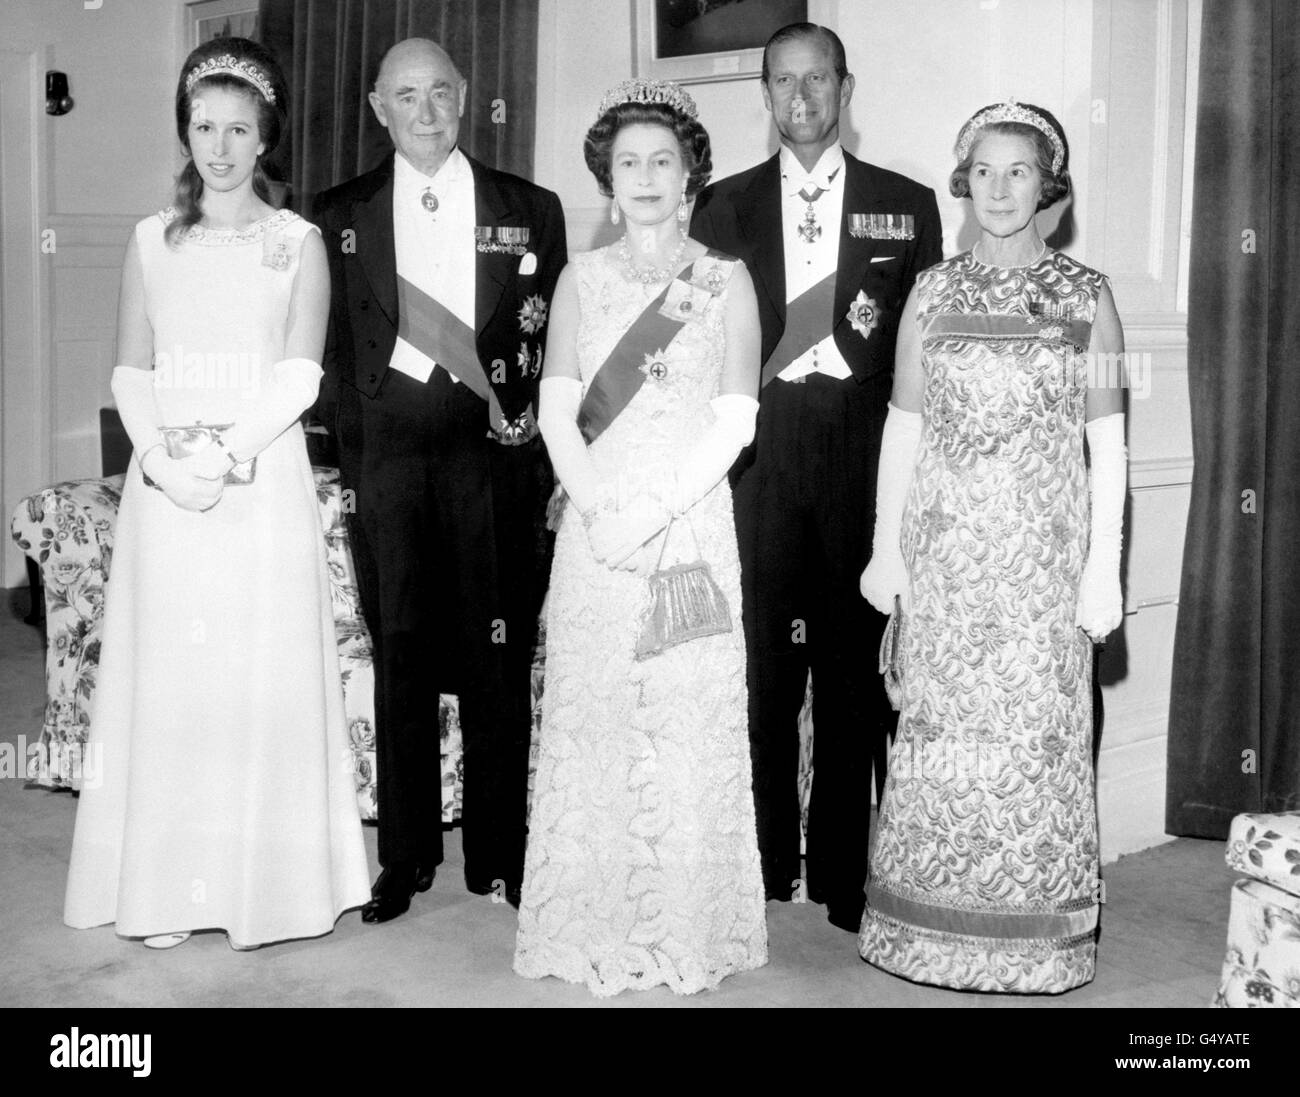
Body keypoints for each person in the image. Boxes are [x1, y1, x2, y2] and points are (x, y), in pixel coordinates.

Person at [63, 37, 370, 950]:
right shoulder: (151, 239)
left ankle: (261, 889)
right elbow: (129, 369)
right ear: (185, 131)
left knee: (252, 684)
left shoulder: (297, 242)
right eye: (205, 126)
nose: (221, 147)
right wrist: (162, 461)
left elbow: (299, 375)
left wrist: (223, 456)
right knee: (176, 688)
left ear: (266, 136)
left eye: (240, 128)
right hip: (168, 492)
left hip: (258, 480)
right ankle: (165, 889)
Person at [858, 100, 1127, 993]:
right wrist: (886, 555)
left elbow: (1110, 448)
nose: (1001, 189)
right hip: (943, 564)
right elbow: (902, 426)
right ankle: (925, 931)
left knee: (1032, 749)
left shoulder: (1090, 295)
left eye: (1020, 171)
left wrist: (1102, 576)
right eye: (984, 171)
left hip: (1042, 573)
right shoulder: (931, 290)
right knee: (940, 746)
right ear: (962, 183)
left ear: (1047, 185)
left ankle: (1035, 944)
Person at [513, 79, 768, 996]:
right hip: (596, 532)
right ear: (607, 179)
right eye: (630, 162)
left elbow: (736, 419)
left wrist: (648, 514)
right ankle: (593, 923)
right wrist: (597, 511)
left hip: (687, 527)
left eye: (664, 159)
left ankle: (685, 930)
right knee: (598, 720)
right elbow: (553, 410)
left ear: (692, 169)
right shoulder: (582, 279)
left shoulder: (726, 279)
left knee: (682, 718)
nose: (648, 176)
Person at [690, 23, 943, 932]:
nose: (801, 97)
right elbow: (693, 349)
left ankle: (842, 871)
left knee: (850, 669)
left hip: (859, 456)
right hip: (755, 458)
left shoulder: (906, 205)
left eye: (818, 79)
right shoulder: (719, 207)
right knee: (758, 663)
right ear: (765, 94)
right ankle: (760, 863)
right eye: (783, 81)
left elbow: (923, 360)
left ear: (846, 87)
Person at [312, 38, 567, 922]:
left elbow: (545, 340)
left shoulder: (530, 208)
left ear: (465, 97)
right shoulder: (338, 211)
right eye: (405, 96)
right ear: (378, 108)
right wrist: (355, 458)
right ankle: (407, 855)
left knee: (497, 659)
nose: (425, 111)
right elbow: (335, 353)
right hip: (387, 464)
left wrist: (531, 429)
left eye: (440, 93)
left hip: (489, 463)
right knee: (402, 660)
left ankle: (503, 851)